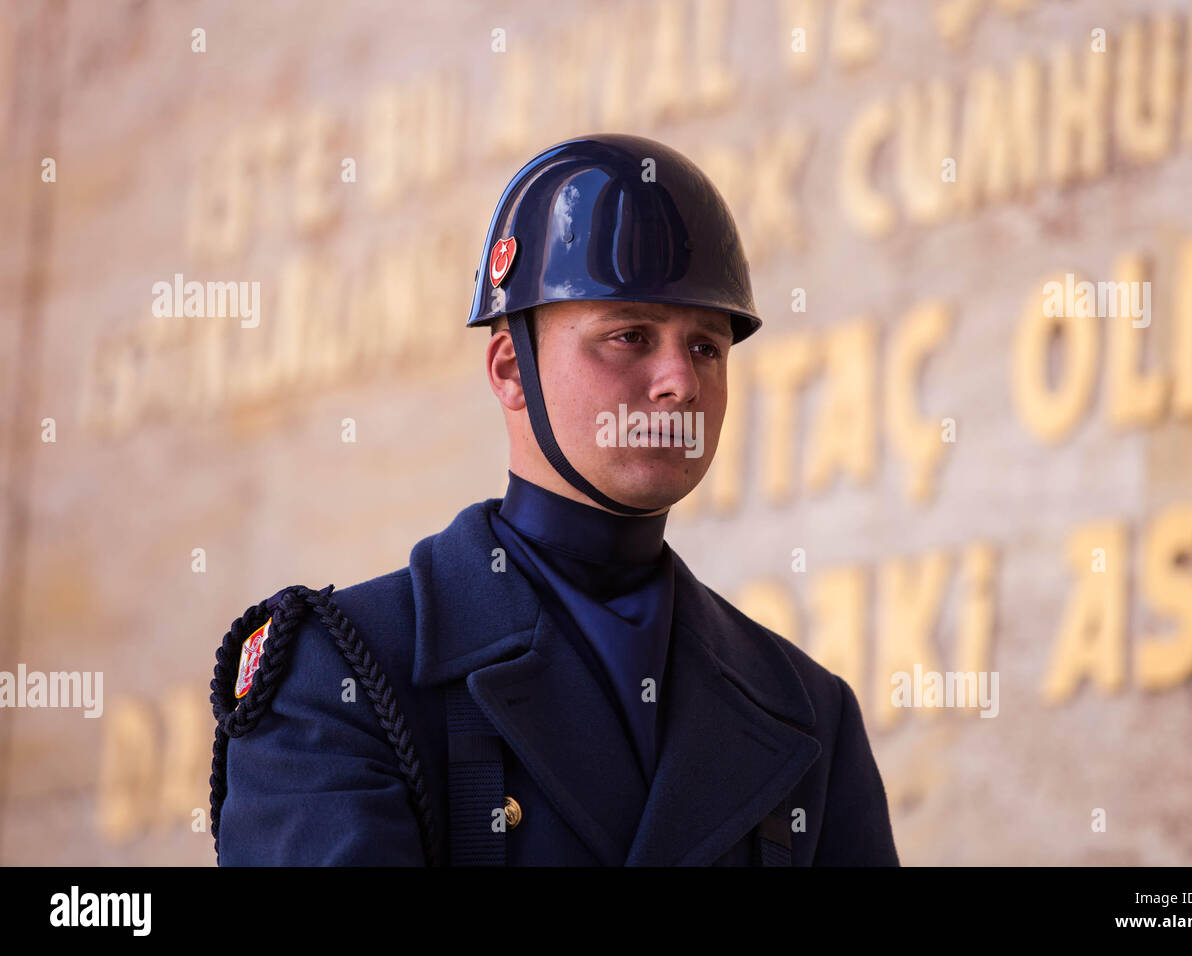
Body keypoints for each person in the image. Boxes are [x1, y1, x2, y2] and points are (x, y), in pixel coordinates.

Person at [209, 132, 900, 866]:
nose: (680, 382)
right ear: (511, 370)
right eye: (630, 336)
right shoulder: (342, 673)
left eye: (706, 347)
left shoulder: (807, 710)